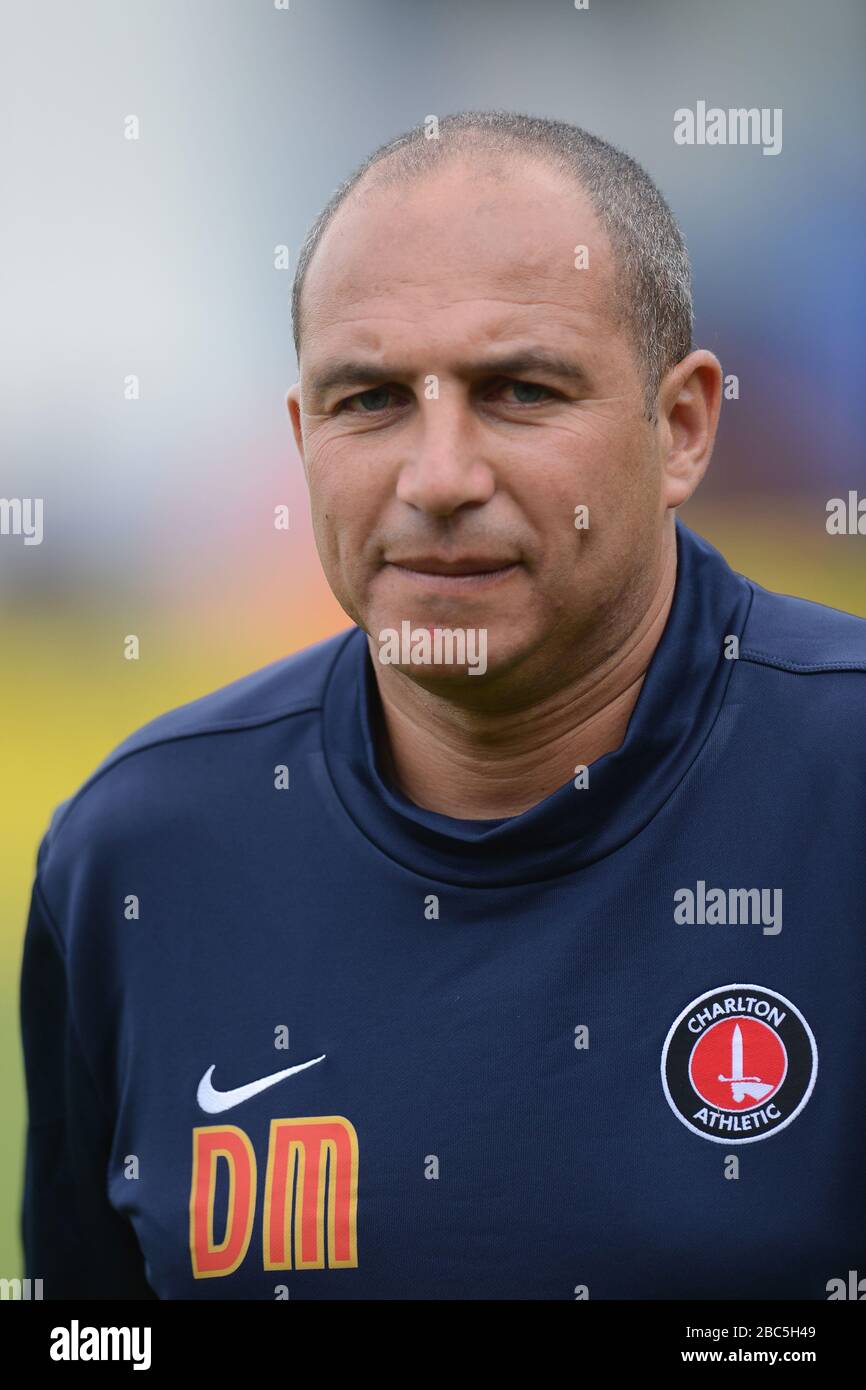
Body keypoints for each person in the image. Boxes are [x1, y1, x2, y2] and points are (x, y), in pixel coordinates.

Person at [20, 112, 866, 1300]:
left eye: (518, 389)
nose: (438, 478)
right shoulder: (140, 850)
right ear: (302, 437)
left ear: (679, 427)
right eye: (369, 400)